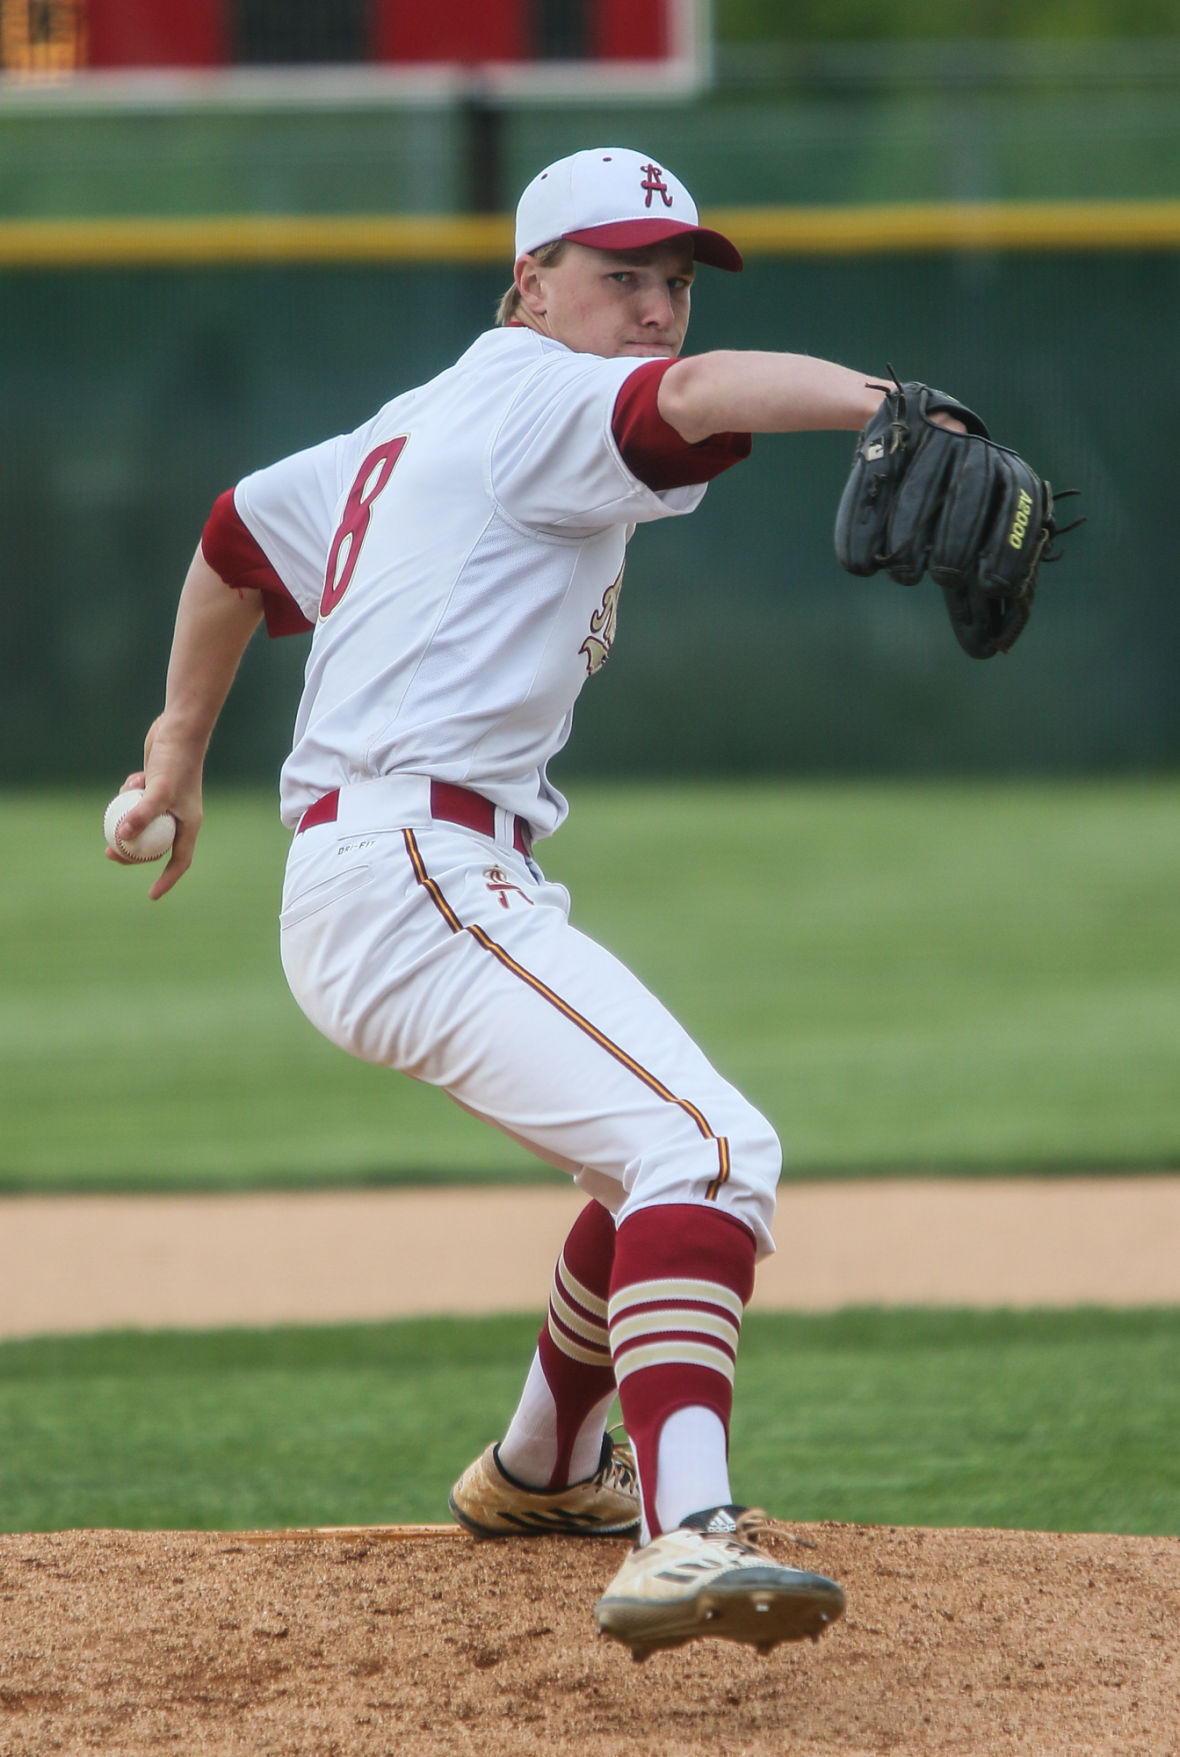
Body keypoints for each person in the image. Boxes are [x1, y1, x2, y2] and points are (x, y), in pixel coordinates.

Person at [110, 146, 913, 1661]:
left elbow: (230, 538)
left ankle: (547, 1467)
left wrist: (174, 746)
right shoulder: (545, 392)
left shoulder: (414, 420)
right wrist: (886, 403)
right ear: (530, 282)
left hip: (392, 869)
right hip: (416, 870)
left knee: (644, 1159)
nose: (657, 307)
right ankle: (689, 1530)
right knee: (713, 1143)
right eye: (622, 276)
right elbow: (685, 401)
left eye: (674, 280)